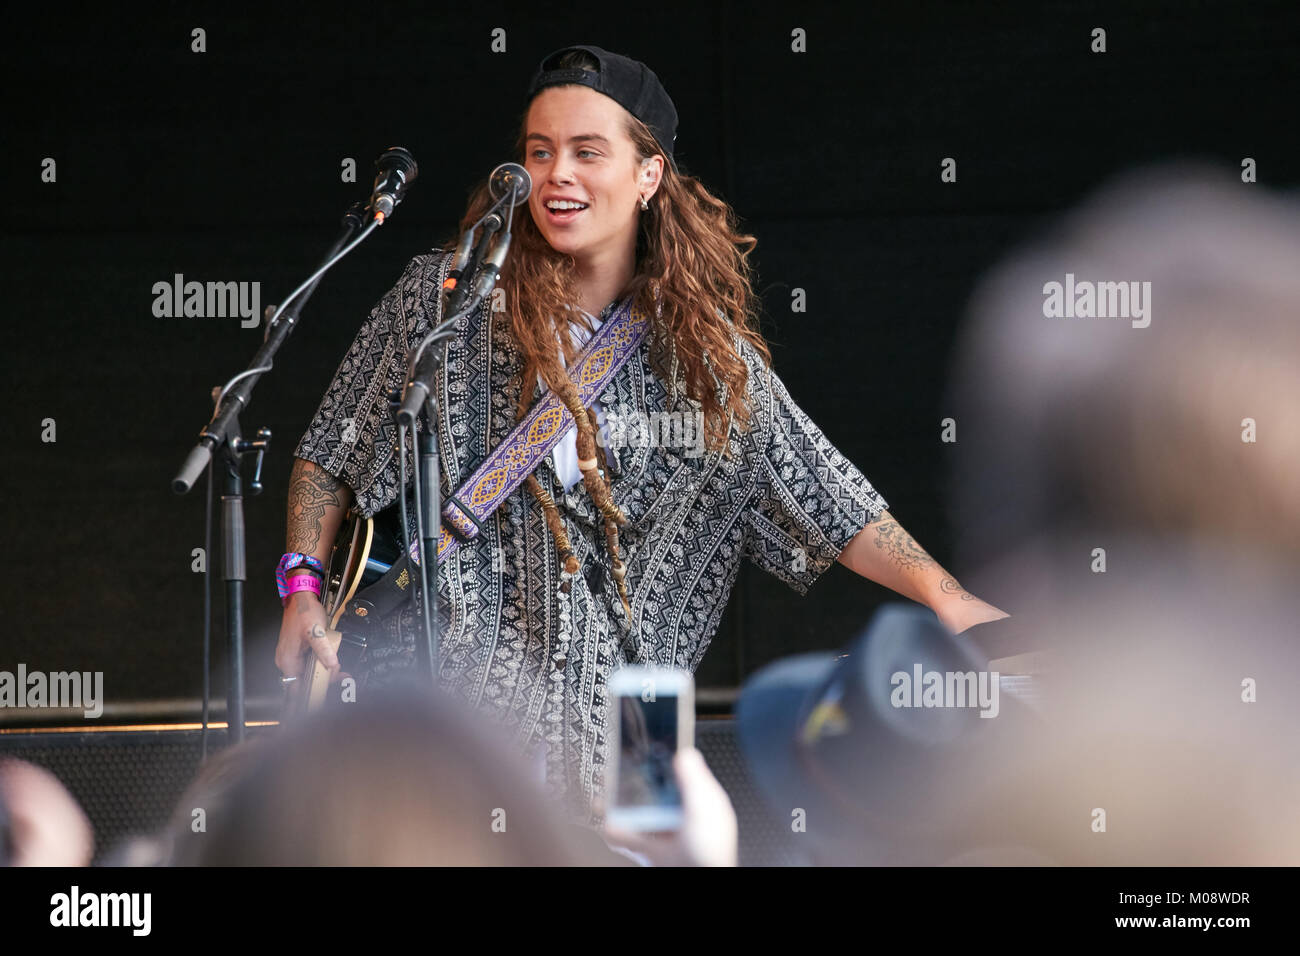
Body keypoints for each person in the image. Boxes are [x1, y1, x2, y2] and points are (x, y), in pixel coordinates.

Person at [275, 44, 1007, 828]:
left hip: (630, 727)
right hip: (454, 709)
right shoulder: (443, 297)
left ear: (648, 176)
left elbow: (825, 494)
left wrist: (950, 599)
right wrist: (301, 587)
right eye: (539, 152)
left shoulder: (706, 358)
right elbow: (333, 451)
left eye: (588, 152)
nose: (558, 174)